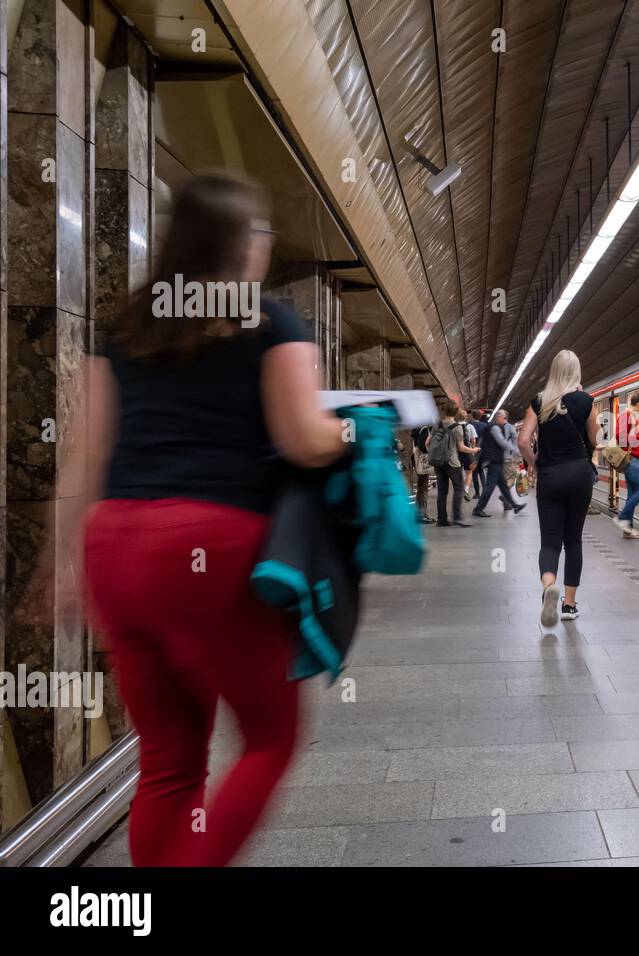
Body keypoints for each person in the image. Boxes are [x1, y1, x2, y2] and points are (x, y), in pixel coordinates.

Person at [79, 173, 348, 866]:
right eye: (260, 235)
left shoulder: (125, 325)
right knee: (270, 738)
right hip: (208, 547)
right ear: (241, 245)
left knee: (169, 760)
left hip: (115, 545)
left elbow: (88, 452)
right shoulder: (267, 319)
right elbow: (301, 439)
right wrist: (352, 430)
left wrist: (61, 563)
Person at [519, 350, 600, 625]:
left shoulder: (539, 402)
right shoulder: (586, 402)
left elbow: (523, 440)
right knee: (573, 541)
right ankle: (569, 605)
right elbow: (594, 438)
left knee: (550, 542)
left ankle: (548, 587)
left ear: (553, 371)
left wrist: (535, 463)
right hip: (579, 475)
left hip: (550, 476)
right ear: (576, 371)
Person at [473, 409, 527, 517]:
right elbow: (501, 441)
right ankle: (478, 509)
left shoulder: (488, 427)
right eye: (504, 418)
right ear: (498, 417)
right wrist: (516, 451)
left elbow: (480, 443)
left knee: (503, 486)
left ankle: (514, 505)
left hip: (493, 460)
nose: (505, 421)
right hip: (494, 460)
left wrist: (476, 459)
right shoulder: (494, 428)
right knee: (490, 487)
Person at [429, 400, 472, 527]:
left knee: (442, 491)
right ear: (456, 412)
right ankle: (457, 517)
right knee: (459, 488)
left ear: (444, 410)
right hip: (452, 462)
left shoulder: (437, 424)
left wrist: (434, 454)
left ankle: (441, 519)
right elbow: (461, 447)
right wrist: (474, 450)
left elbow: (427, 443)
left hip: (438, 462)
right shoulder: (457, 427)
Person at [613, 391, 639, 539]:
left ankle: (628, 530)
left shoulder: (633, 417)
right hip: (630, 459)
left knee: (632, 493)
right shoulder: (626, 415)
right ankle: (622, 518)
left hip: (632, 458)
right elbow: (620, 436)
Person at [410, 422, 434, 523]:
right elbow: (422, 446)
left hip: (417, 462)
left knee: (422, 487)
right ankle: (421, 514)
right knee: (423, 488)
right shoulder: (424, 429)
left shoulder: (417, 428)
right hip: (423, 462)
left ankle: (421, 513)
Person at [457, 408, 478, 500]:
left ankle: (458, 490)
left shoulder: (454, 426)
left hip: (456, 452)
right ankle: (465, 490)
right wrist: (472, 450)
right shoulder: (470, 426)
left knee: (458, 472)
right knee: (469, 473)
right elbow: (473, 440)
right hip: (467, 452)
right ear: (465, 417)